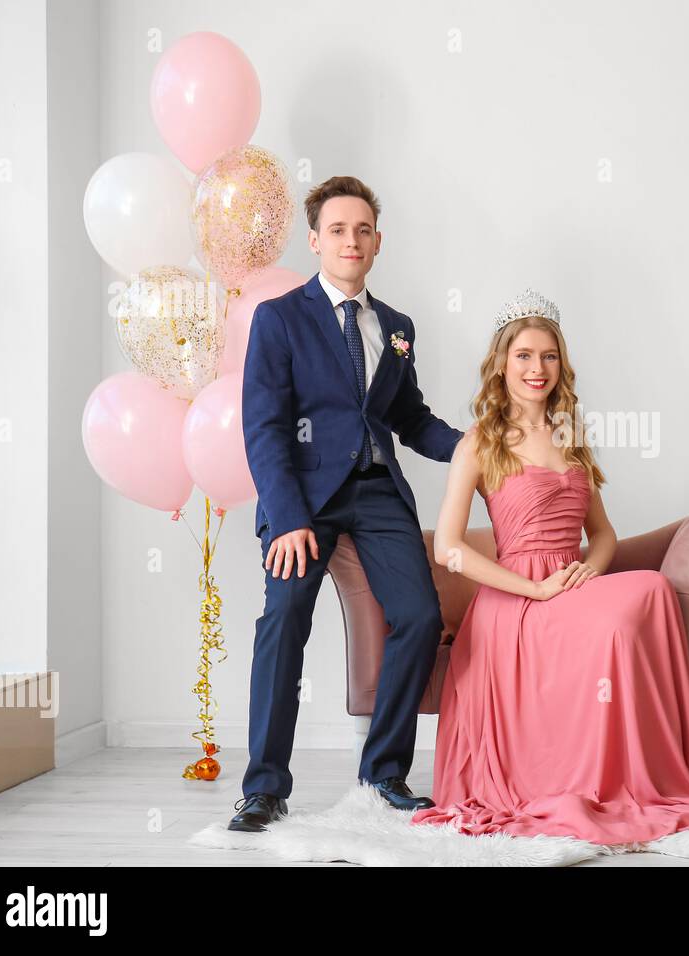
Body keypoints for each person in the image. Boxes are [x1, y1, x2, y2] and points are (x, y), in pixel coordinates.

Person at [410, 289, 689, 846]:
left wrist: (591, 570)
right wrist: (535, 590)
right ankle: (598, 775)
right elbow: (448, 547)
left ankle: (648, 774)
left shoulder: (571, 439)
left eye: (548, 356)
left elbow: (603, 534)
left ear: (561, 365)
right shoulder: (480, 444)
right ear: (501, 363)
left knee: (654, 591)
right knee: (631, 607)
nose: (536, 368)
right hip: (517, 606)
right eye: (523, 356)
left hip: (569, 587)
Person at [230, 176, 462, 832]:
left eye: (362, 230)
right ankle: (264, 788)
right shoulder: (280, 318)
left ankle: (383, 775)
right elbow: (264, 425)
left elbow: (410, 419)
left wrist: (474, 449)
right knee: (285, 619)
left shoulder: (396, 327)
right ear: (315, 241)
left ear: (377, 242)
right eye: (337, 230)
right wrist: (290, 518)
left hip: (378, 490)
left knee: (419, 616)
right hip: (303, 494)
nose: (351, 240)